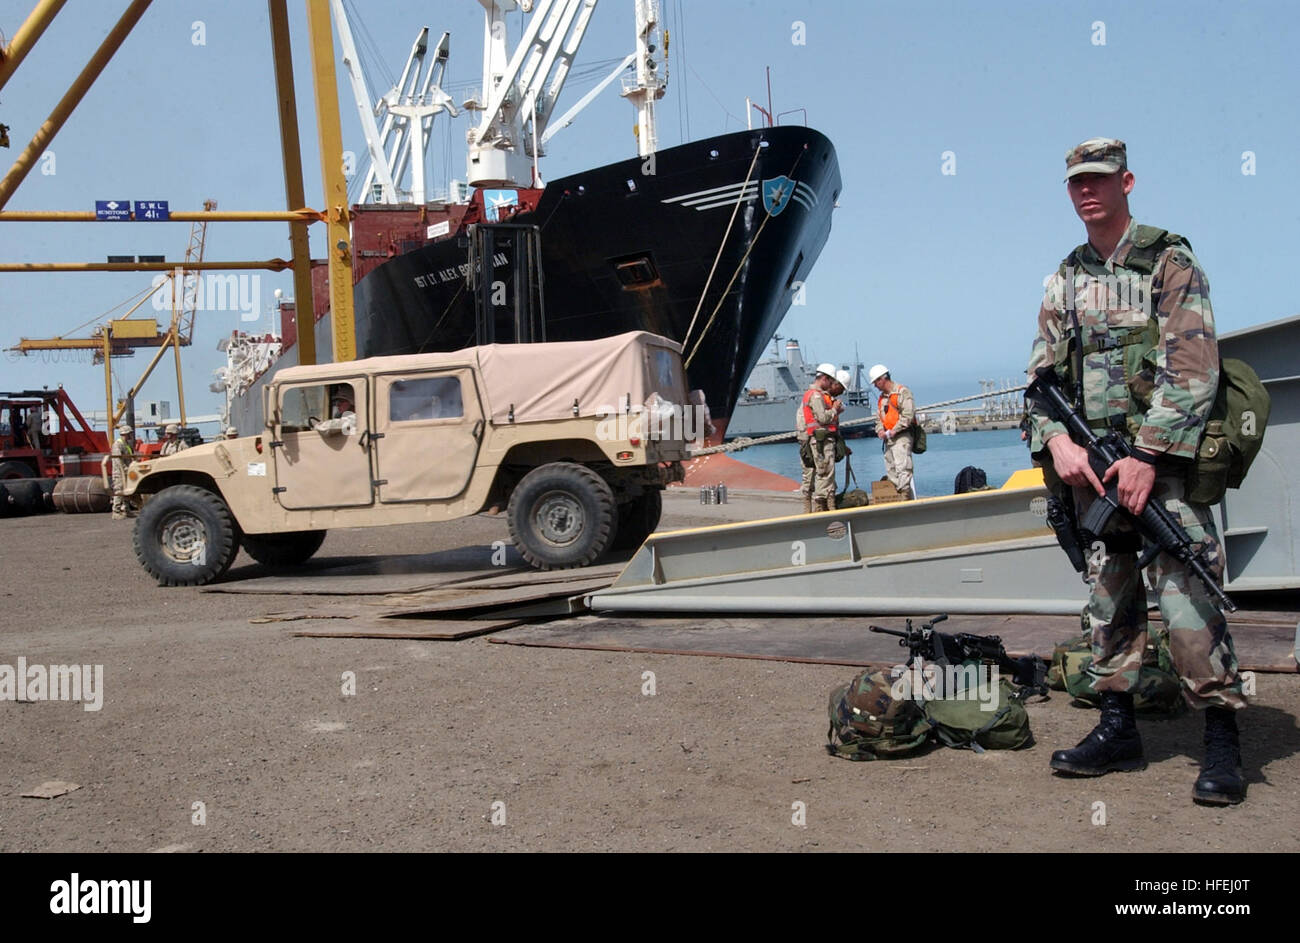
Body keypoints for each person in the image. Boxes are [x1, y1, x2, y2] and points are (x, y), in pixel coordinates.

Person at [1026, 137, 1246, 804]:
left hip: (1160, 471)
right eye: (1075, 183)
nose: (1086, 191)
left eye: (1099, 179)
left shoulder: (1168, 261)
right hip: (1092, 471)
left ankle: (1222, 742)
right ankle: (1116, 728)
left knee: (1189, 602)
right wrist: (1057, 443)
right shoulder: (1064, 278)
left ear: (1127, 182)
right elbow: (1040, 382)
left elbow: (1195, 369)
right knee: (1108, 598)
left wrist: (1148, 456)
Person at [796, 363, 843, 513]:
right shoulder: (816, 396)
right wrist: (835, 410)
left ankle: (809, 509)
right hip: (820, 440)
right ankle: (823, 507)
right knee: (825, 473)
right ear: (824, 378)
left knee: (812, 475)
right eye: (830, 381)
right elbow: (823, 418)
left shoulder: (809, 395)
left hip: (809, 439)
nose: (831, 384)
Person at [870, 364, 915, 497]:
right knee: (891, 469)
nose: (875, 386)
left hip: (901, 437)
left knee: (903, 468)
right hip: (888, 439)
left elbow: (908, 415)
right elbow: (879, 417)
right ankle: (899, 493)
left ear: (882, 379)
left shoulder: (902, 392)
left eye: (876, 382)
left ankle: (905, 496)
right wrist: (880, 431)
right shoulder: (882, 398)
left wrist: (894, 430)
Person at [110, 422, 135, 520]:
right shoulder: (117, 445)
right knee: (119, 491)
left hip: (127, 472)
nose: (131, 435)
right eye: (129, 433)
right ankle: (116, 511)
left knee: (127, 492)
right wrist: (125, 469)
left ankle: (126, 510)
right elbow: (117, 461)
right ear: (125, 434)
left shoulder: (127, 444)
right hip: (120, 473)